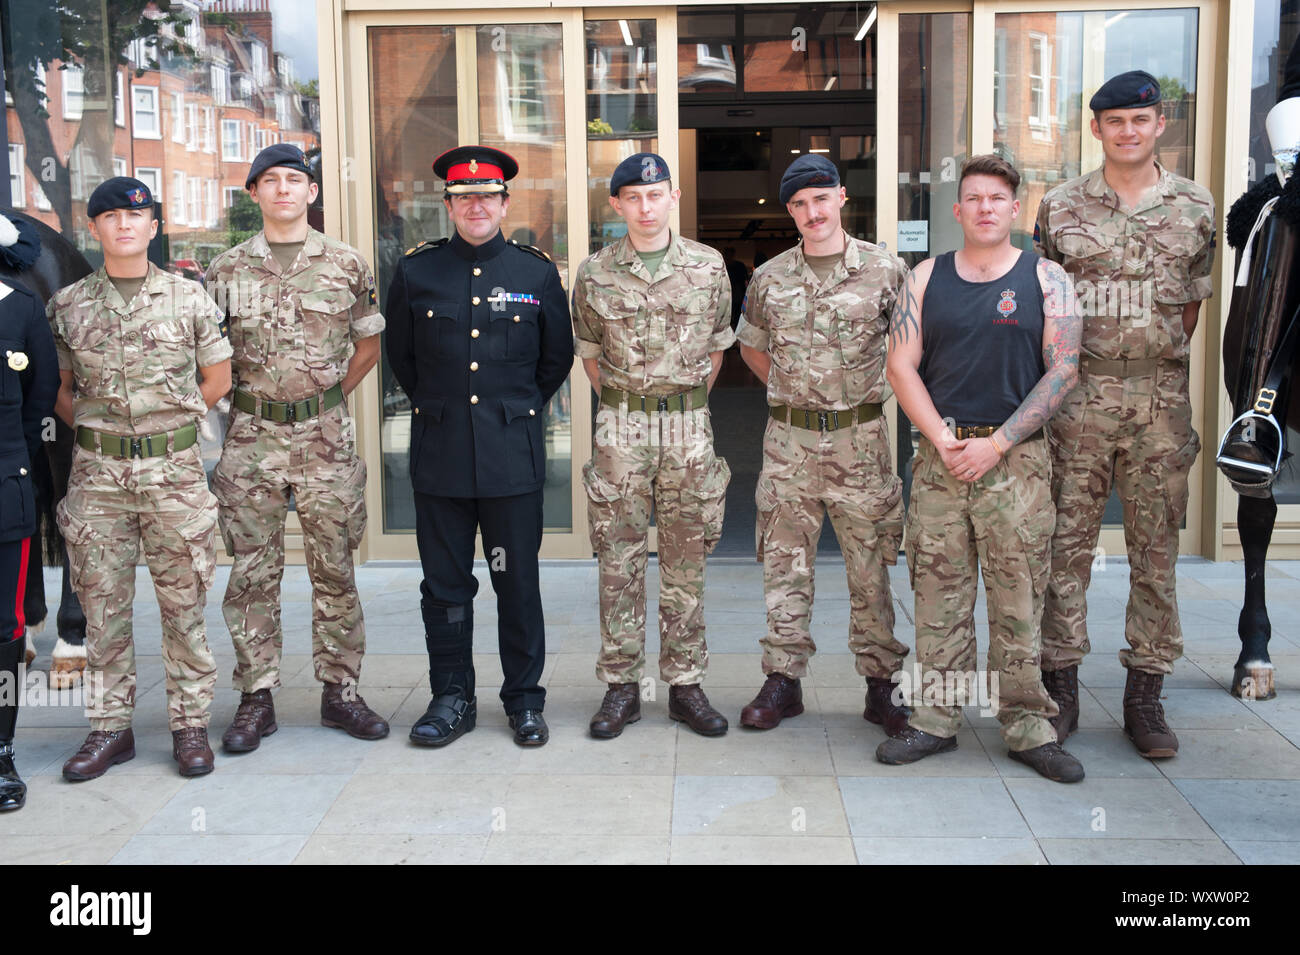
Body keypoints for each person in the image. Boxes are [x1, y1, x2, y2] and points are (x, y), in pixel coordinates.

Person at [876, 154, 1084, 782]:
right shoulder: (924, 279)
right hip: (941, 462)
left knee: (1018, 597)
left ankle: (1026, 726)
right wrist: (942, 440)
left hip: (1015, 463)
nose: (986, 207)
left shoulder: (1048, 278)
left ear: (1013, 208)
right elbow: (900, 366)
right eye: (974, 198)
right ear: (959, 208)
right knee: (938, 596)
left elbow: (1063, 368)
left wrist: (996, 444)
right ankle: (935, 720)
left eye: (998, 197)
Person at [1034, 71, 1216, 757]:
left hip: (1159, 405)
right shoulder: (1060, 206)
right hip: (1078, 400)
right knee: (1064, 547)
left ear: (1159, 123)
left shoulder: (1194, 206)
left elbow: (1190, 305)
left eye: (1141, 119)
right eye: (1116, 121)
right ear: (1097, 128)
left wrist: (1150, 360)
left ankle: (1146, 692)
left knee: (1155, 548)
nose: (1129, 131)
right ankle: (1062, 683)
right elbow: (1048, 302)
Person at [385, 145, 573, 748]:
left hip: (510, 460)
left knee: (516, 583)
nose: (475, 206)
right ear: (448, 205)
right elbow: (404, 362)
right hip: (440, 460)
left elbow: (554, 361)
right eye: (463, 198)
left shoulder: (535, 273)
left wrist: (510, 413)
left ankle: (523, 700)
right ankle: (452, 697)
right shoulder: (416, 272)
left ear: (504, 203)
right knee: (444, 587)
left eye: (486, 197)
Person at [206, 144, 389, 752]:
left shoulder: (345, 264)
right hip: (252, 438)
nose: (284, 189)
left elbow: (368, 345)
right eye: (271, 181)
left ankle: (341, 693)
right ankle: (256, 697)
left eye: (295, 179)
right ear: (254, 193)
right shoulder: (225, 271)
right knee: (252, 572)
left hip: (325, 439)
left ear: (312, 192)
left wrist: (328, 397)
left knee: (334, 566)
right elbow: (211, 358)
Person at [52, 178, 232, 780]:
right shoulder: (69, 304)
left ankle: (189, 726)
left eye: (136, 216)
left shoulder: (190, 299)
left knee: (184, 604)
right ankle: (110, 730)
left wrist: (165, 432)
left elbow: (218, 378)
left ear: (153, 227)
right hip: (97, 478)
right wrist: (110, 438)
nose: (124, 225)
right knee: (103, 608)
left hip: (175, 475)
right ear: (95, 228)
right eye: (111, 217)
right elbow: (61, 391)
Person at [735, 154, 911, 734]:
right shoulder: (770, 278)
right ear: (790, 212)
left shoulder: (886, 271)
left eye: (820, 199)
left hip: (861, 442)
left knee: (870, 567)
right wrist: (795, 394)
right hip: (789, 443)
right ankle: (783, 681)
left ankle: (881, 685)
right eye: (799, 204)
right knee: (785, 566)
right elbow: (753, 349)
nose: (812, 212)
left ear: (841, 198)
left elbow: (909, 352)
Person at [572, 153, 733, 739]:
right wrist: (633, 407)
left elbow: (717, 350)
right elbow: (591, 356)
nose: (645, 205)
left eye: (656, 194)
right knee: (618, 558)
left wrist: (678, 405)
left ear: (674, 196)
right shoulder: (594, 273)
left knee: (687, 560)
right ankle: (622, 686)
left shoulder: (709, 266)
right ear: (616, 205)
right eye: (633, 197)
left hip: (689, 430)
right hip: (622, 431)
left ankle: (685, 684)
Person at [0, 220, 59, 809]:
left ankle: (1, 753)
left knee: (4, 629)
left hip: (2, 492)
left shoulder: (18, 309)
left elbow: (40, 398)